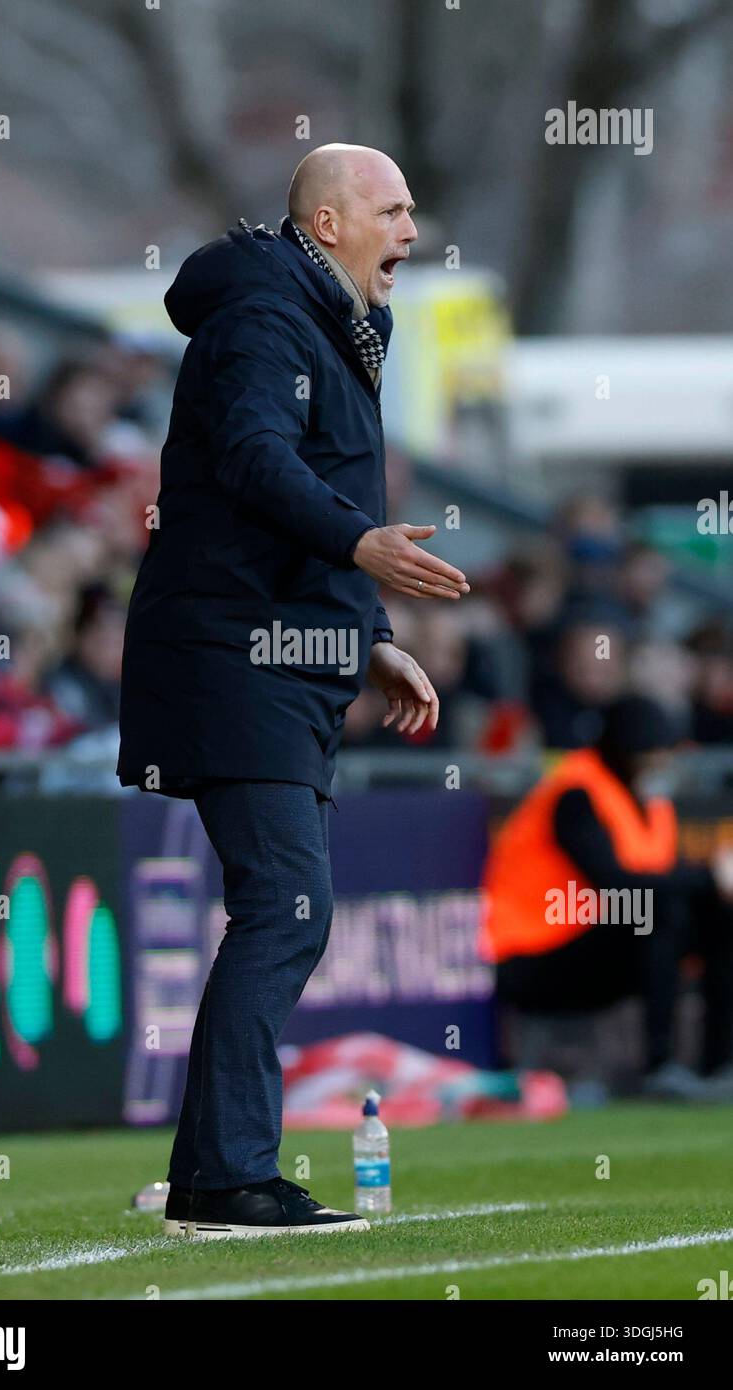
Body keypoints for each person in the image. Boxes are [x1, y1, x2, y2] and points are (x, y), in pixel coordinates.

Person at [117, 143, 469, 1237]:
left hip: (286, 657)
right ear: (327, 222)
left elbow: (307, 489)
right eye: (395, 211)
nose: (412, 232)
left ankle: (206, 1172)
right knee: (288, 906)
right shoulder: (264, 323)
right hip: (233, 657)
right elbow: (258, 463)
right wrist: (362, 547)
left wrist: (366, 636)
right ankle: (226, 1178)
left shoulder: (332, 323)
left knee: (286, 908)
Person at [482, 696, 733, 1100]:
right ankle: (660, 1068)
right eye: (650, 754)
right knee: (656, 913)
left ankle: (721, 1067)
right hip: (535, 957)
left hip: (599, 947)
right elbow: (614, 881)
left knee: (716, 913)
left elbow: (661, 877)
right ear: (623, 752)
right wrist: (710, 875)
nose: (660, 764)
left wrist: (716, 883)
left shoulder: (650, 802)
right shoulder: (576, 793)